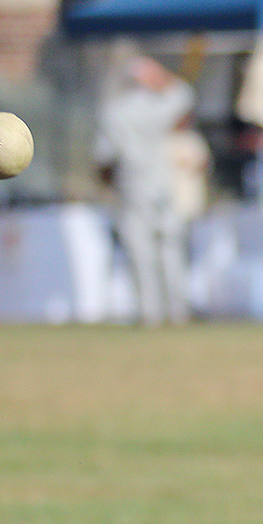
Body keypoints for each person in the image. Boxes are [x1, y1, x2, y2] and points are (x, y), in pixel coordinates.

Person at [95, 56, 197, 326]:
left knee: (140, 253)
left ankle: (149, 314)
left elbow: (104, 159)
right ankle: (178, 312)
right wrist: (161, 77)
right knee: (170, 249)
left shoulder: (112, 112)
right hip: (160, 186)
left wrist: (110, 186)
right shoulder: (156, 106)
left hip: (132, 187)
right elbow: (185, 94)